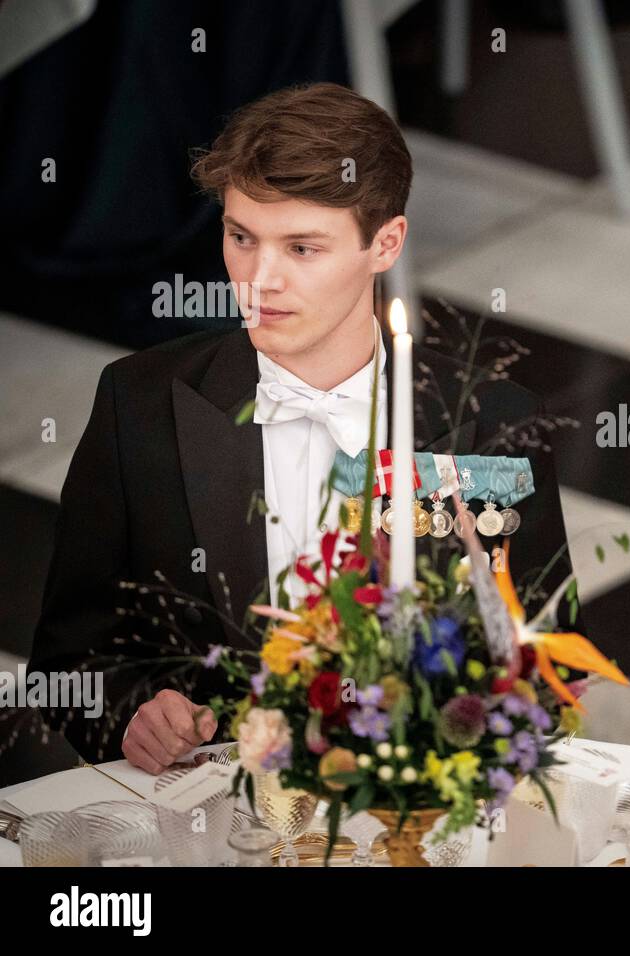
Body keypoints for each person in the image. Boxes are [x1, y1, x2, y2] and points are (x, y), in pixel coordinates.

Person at [29, 82, 579, 774]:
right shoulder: (140, 402)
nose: (260, 280)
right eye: (241, 238)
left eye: (302, 249)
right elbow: (68, 661)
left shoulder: (491, 418)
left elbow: (548, 666)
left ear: (385, 244)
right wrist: (132, 715)